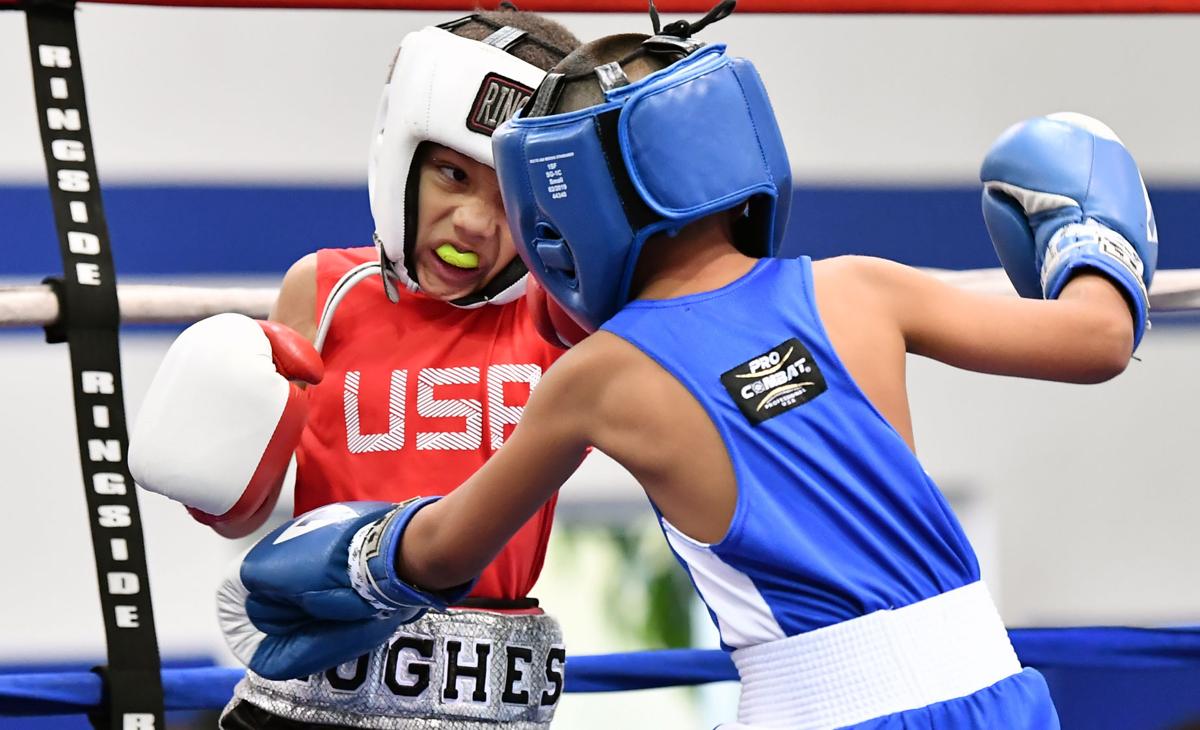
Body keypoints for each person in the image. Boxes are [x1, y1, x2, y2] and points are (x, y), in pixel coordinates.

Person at [218, 17, 1156, 730]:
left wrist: (356, 559)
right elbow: (1099, 338)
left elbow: (448, 552)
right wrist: (1083, 229)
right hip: (1000, 695)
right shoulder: (861, 289)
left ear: (561, 202)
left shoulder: (601, 378)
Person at [129, 8, 584, 729]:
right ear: (401, 152)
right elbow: (244, 509)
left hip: (483, 695)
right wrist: (211, 463)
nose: (473, 221)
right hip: (313, 685)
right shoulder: (323, 288)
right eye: (452, 173)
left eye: (509, 196)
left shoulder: (564, 318)